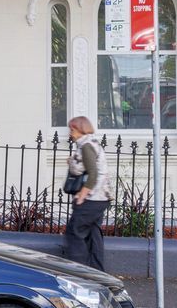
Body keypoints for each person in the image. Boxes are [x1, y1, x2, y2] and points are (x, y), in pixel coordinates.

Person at [62, 115, 110, 271]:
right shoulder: (91, 143)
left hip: (92, 198)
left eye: (72, 129)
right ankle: (97, 272)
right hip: (102, 197)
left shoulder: (86, 146)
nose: (70, 132)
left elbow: (93, 173)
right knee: (93, 234)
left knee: (74, 232)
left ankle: (78, 271)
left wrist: (82, 196)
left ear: (80, 129)